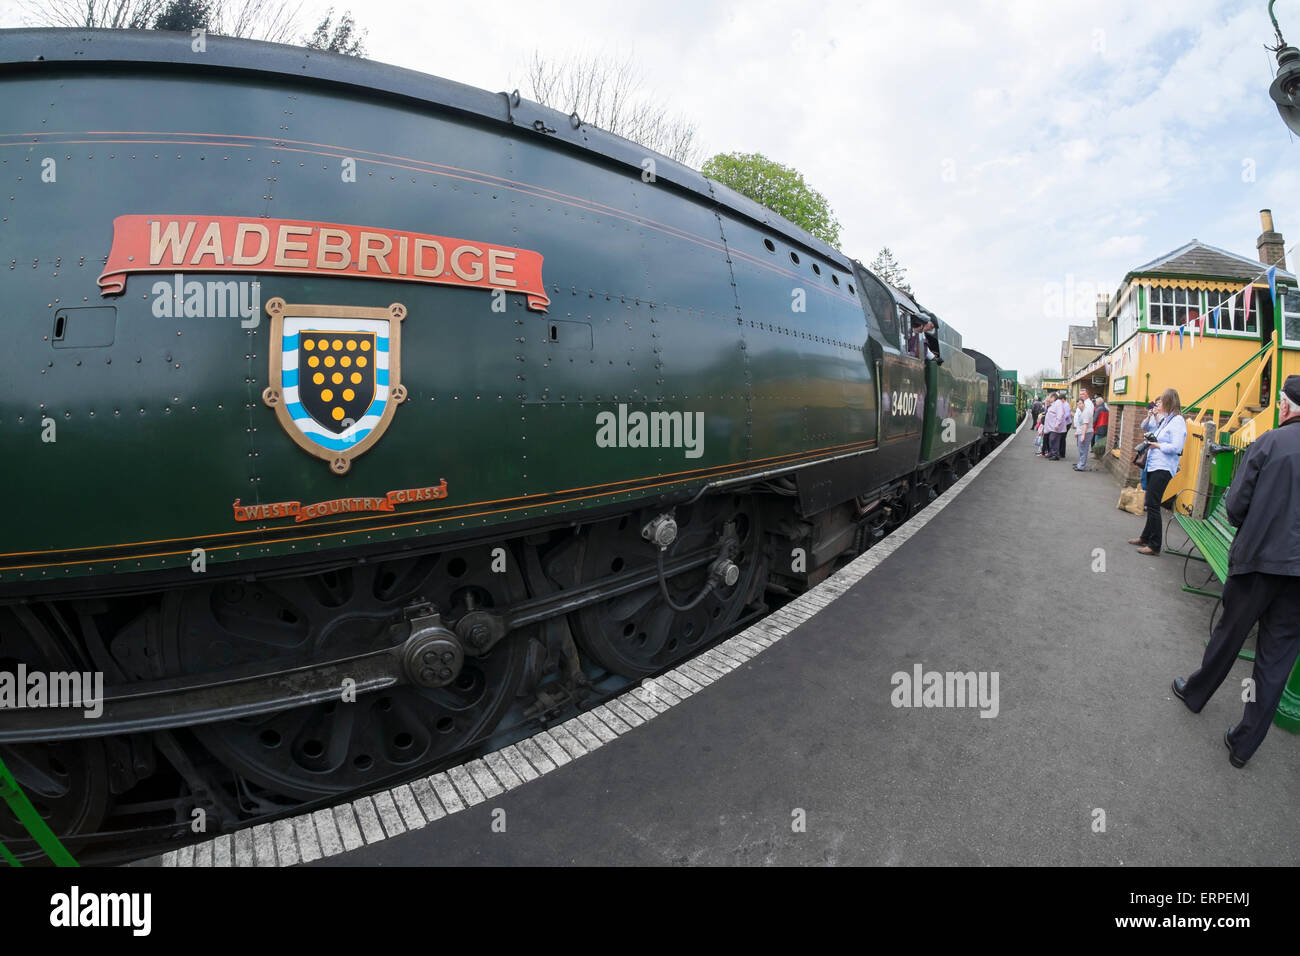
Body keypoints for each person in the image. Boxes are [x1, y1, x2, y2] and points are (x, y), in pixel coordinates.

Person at [1172, 375, 1300, 767]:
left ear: (1286, 407)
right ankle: (1243, 744)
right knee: (1277, 660)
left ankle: (1196, 694)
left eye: (1278, 402)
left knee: (1230, 635)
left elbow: (1235, 506)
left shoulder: (1270, 442)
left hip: (1258, 562)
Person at [1127, 388, 1187, 556]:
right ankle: (1145, 537)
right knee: (1151, 503)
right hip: (1155, 465)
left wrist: (1157, 445)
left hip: (1163, 467)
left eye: (1161, 402)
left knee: (1153, 505)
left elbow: (1176, 447)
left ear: (1169, 402)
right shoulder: (1167, 420)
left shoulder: (1177, 421)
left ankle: (1154, 545)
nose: (1158, 404)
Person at [1073, 387, 1094, 471]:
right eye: (1078, 404)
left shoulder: (1087, 409)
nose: (1079, 405)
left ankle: (1081, 466)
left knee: (1083, 449)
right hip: (1080, 431)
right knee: (1081, 449)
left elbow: (1085, 424)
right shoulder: (1082, 409)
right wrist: (1077, 432)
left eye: (1080, 403)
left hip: (1085, 432)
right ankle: (1080, 464)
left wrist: (1083, 435)